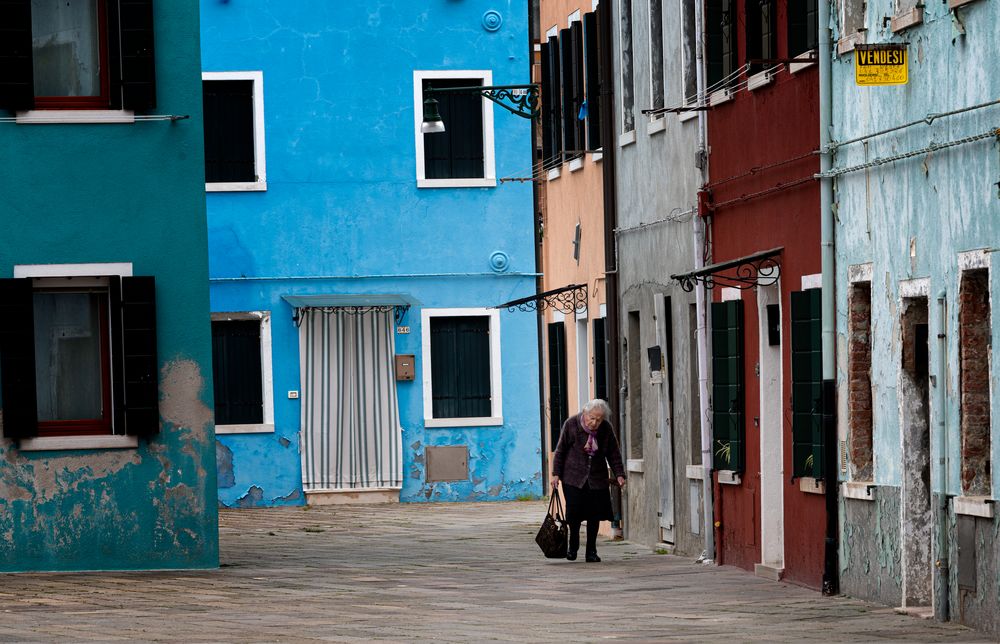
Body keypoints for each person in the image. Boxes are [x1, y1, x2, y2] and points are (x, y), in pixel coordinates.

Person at [550, 399, 626, 562]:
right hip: (573, 478)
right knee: (574, 514)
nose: (595, 423)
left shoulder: (606, 428)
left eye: (599, 419)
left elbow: (613, 453)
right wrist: (556, 474)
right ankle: (573, 547)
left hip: (597, 479)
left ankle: (591, 551)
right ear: (585, 413)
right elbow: (560, 450)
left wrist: (619, 474)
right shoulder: (571, 424)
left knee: (594, 515)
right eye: (592, 418)